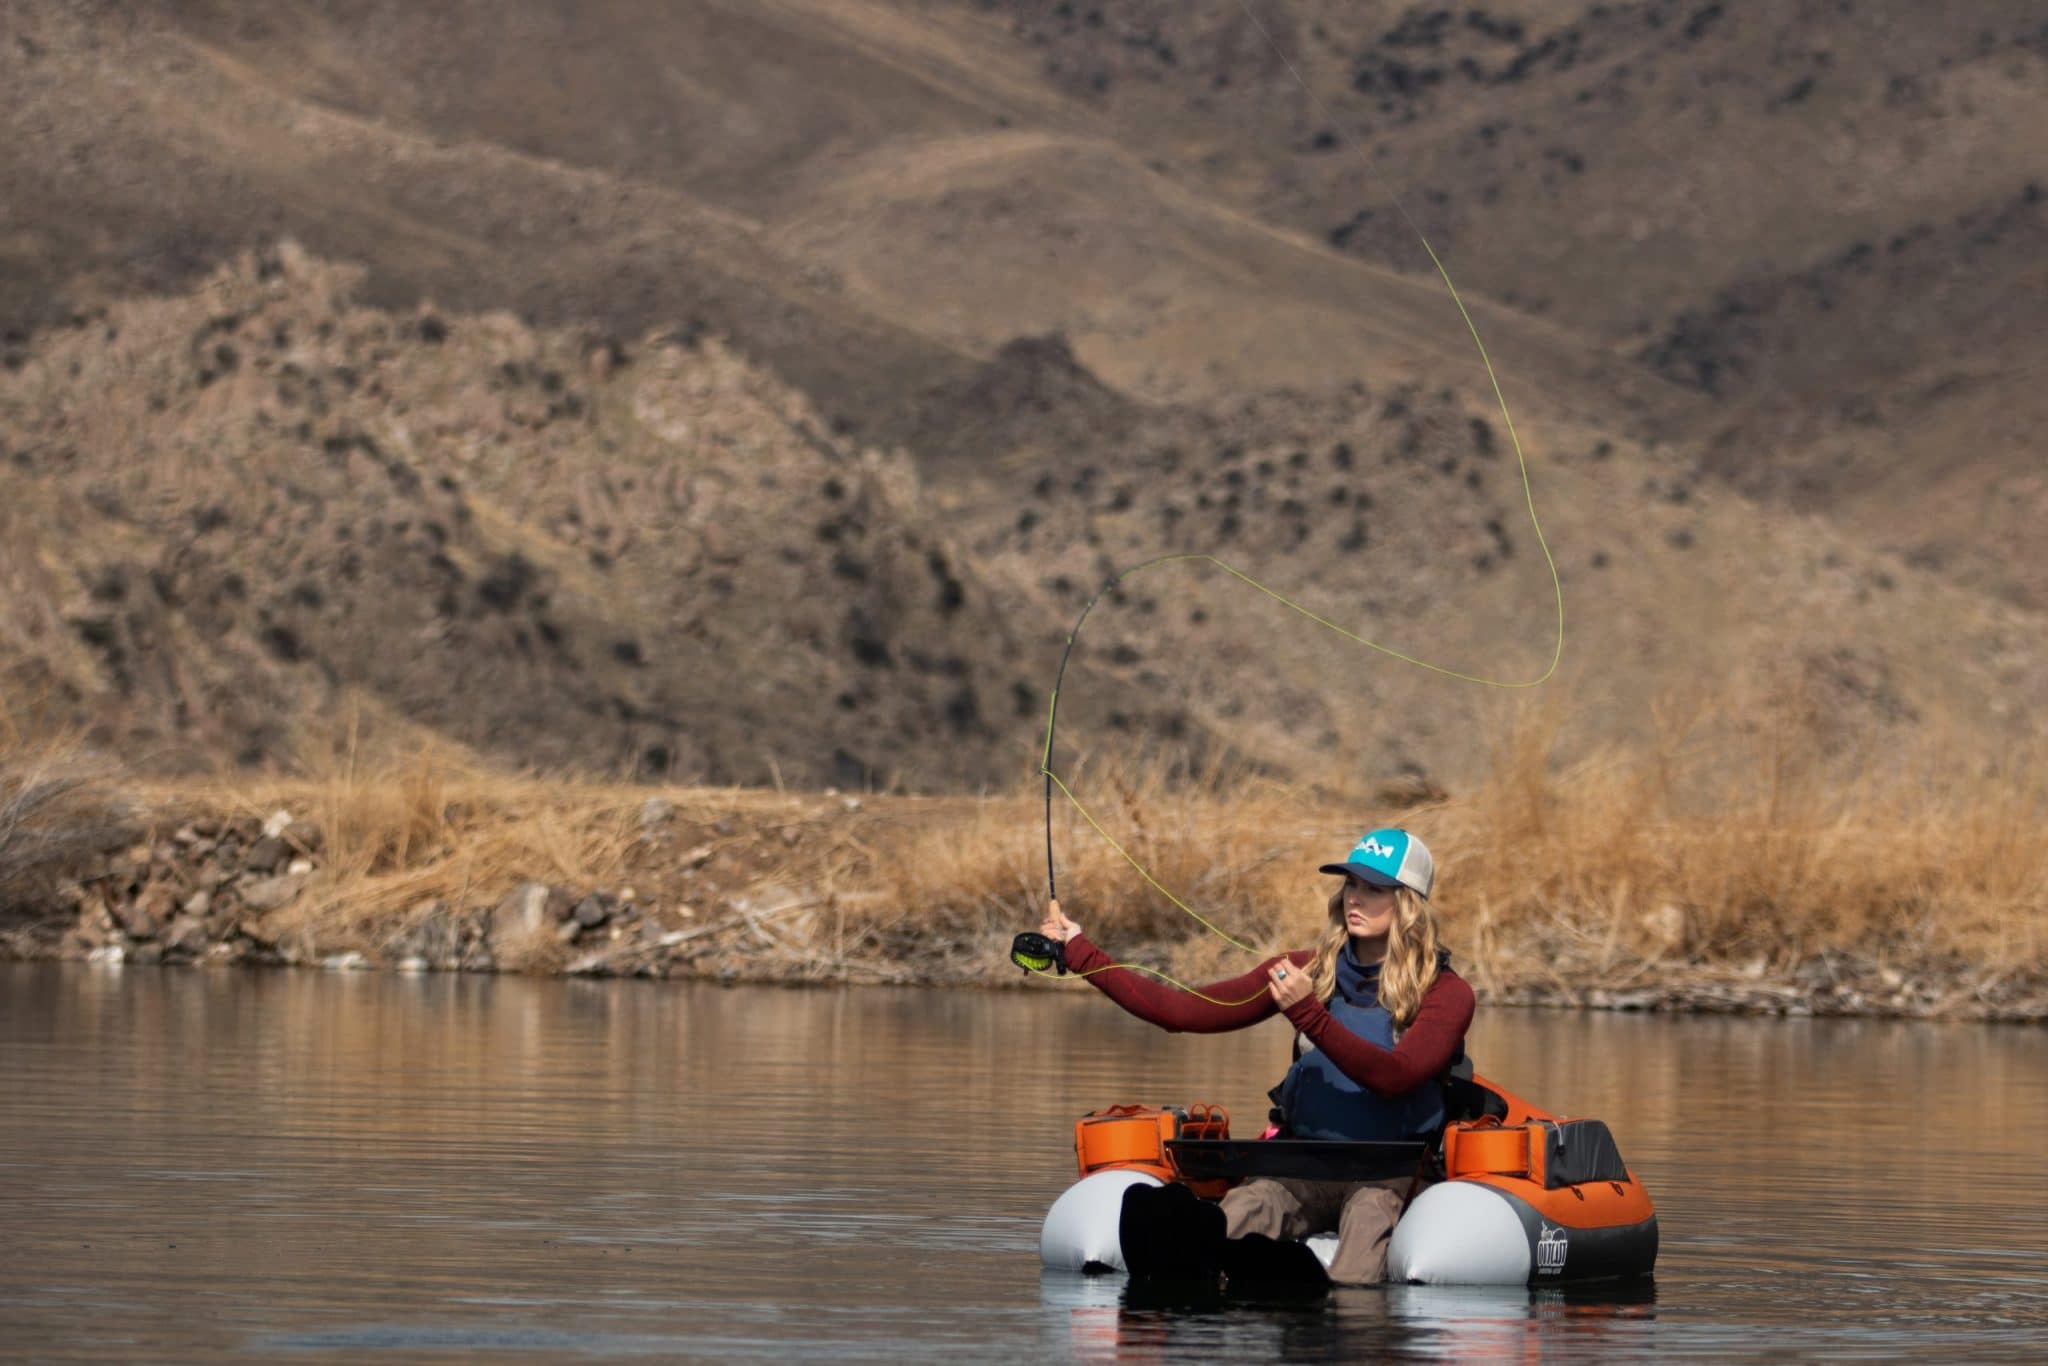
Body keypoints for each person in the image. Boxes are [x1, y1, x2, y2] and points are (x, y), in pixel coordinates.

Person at [1040, 826, 1474, 1287]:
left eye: (1374, 888)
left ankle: (1323, 1297)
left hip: (1388, 1175)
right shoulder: (1306, 970)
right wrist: (1081, 952)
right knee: (1242, 1212)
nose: (1355, 899)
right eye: (1350, 884)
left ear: (1407, 902)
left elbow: (1396, 1077)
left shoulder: (1447, 993)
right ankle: (1193, 1263)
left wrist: (1308, 1013)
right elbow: (1179, 1010)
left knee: (1359, 1257)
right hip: (1299, 1165)